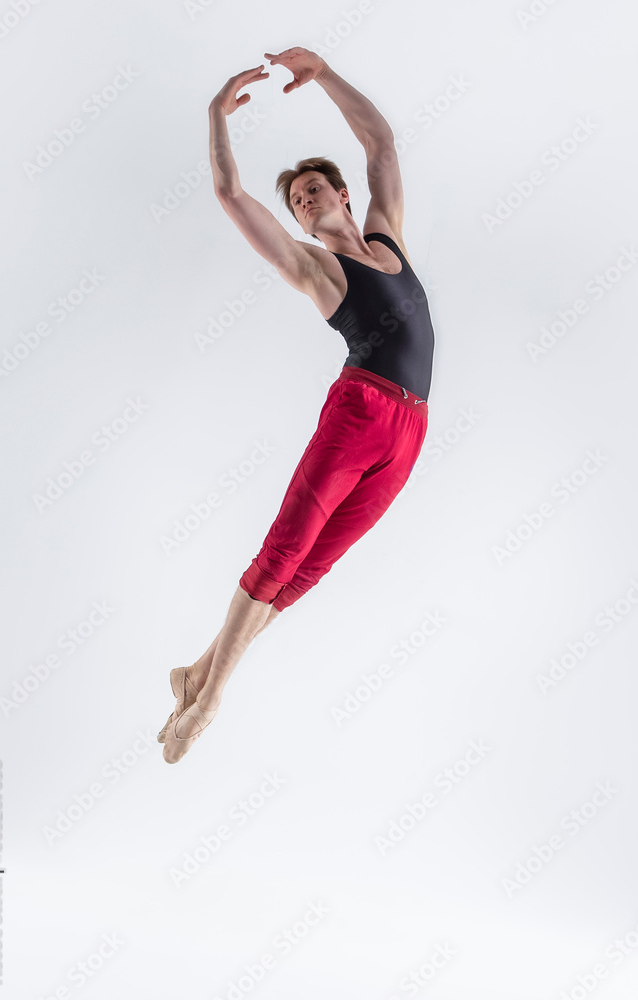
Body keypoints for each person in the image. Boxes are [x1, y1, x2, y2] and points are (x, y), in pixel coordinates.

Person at [160, 47, 435, 764]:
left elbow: (378, 142)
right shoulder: (316, 268)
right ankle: (210, 698)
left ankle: (197, 669)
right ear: (303, 222)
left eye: (316, 188)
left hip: (410, 432)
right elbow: (229, 194)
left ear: (342, 196)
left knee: (312, 568)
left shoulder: (387, 235)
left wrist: (324, 75)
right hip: (360, 410)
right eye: (298, 200)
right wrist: (216, 115)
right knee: (284, 549)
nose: (307, 199)